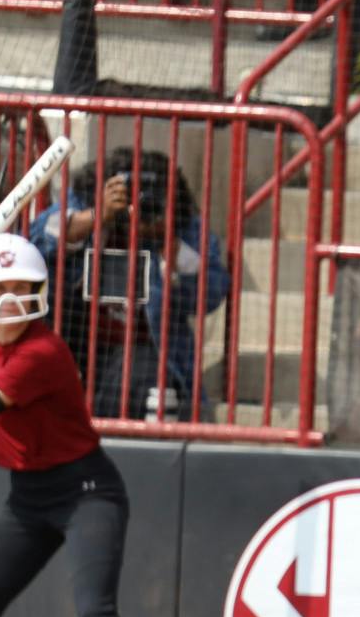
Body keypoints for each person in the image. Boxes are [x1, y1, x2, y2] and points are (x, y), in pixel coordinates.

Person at [0, 235, 162, 617]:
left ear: (39, 294)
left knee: (96, 616)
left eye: (20, 289)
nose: (9, 301)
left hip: (87, 490)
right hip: (28, 499)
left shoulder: (41, 352)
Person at [30, 149, 232, 423]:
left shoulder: (182, 224)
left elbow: (213, 293)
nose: (138, 200)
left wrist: (169, 245)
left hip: (142, 349)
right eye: (129, 190)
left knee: (139, 384)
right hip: (74, 336)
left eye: (149, 192)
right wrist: (97, 216)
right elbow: (32, 244)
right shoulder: (85, 201)